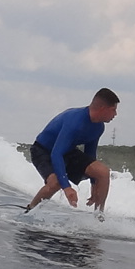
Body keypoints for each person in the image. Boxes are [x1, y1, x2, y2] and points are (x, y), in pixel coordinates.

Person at [25, 88, 119, 216]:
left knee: (102, 172)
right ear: (102, 108)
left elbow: (90, 154)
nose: (115, 114)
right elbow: (56, 153)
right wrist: (67, 187)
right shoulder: (74, 120)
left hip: (67, 151)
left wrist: (93, 183)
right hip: (43, 150)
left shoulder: (98, 127)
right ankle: (29, 211)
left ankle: (99, 217)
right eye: (113, 109)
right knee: (55, 183)